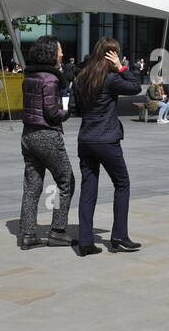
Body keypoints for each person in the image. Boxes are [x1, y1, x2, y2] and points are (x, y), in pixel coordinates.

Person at [70, 38, 142, 255]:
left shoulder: (80, 78)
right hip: (106, 140)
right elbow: (135, 86)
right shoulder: (110, 78)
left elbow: (74, 107)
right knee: (122, 184)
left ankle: (85, 242)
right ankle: (119, 236)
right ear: (112, 55)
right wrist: (121, 67)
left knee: (88, 188)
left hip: (86, 140)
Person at [18, 36, 75, 249]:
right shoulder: (50, 80)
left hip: (28, 135)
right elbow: (51, 112)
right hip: (47, 135)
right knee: (66, 180)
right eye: (59, 50)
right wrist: (68, 112)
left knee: (32, 186)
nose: (62, 54)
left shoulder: (30, 77)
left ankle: (27, 233)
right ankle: (58, 231)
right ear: (50, 53)